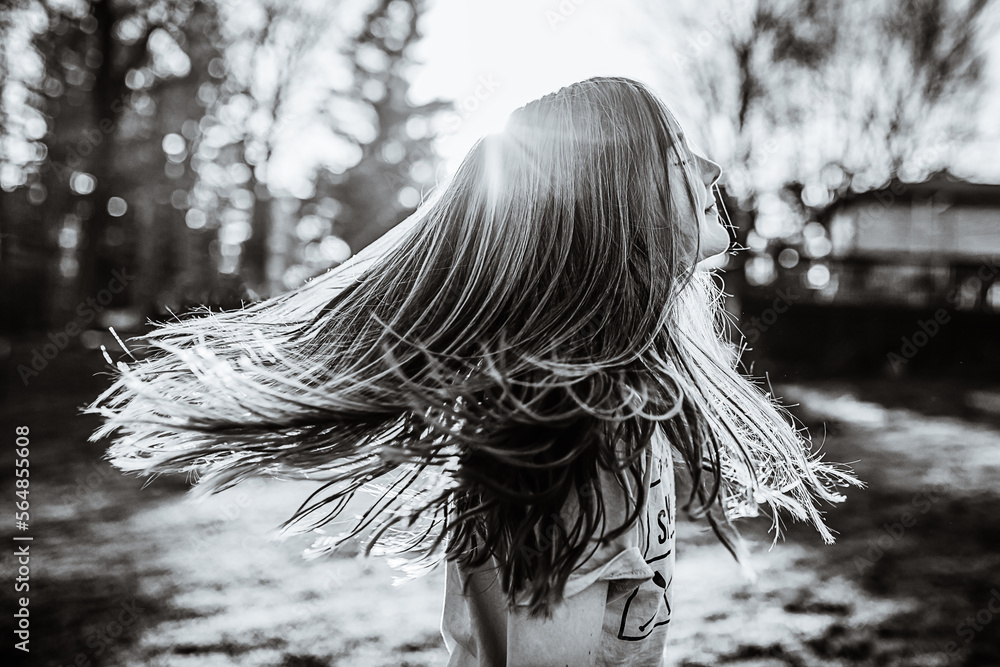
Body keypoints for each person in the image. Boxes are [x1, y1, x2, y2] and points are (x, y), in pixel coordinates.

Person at [89, 76, 860, 666]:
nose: (711, 167)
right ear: (618, 199)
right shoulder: (573, 428)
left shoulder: (608, 404)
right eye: (678, 150)